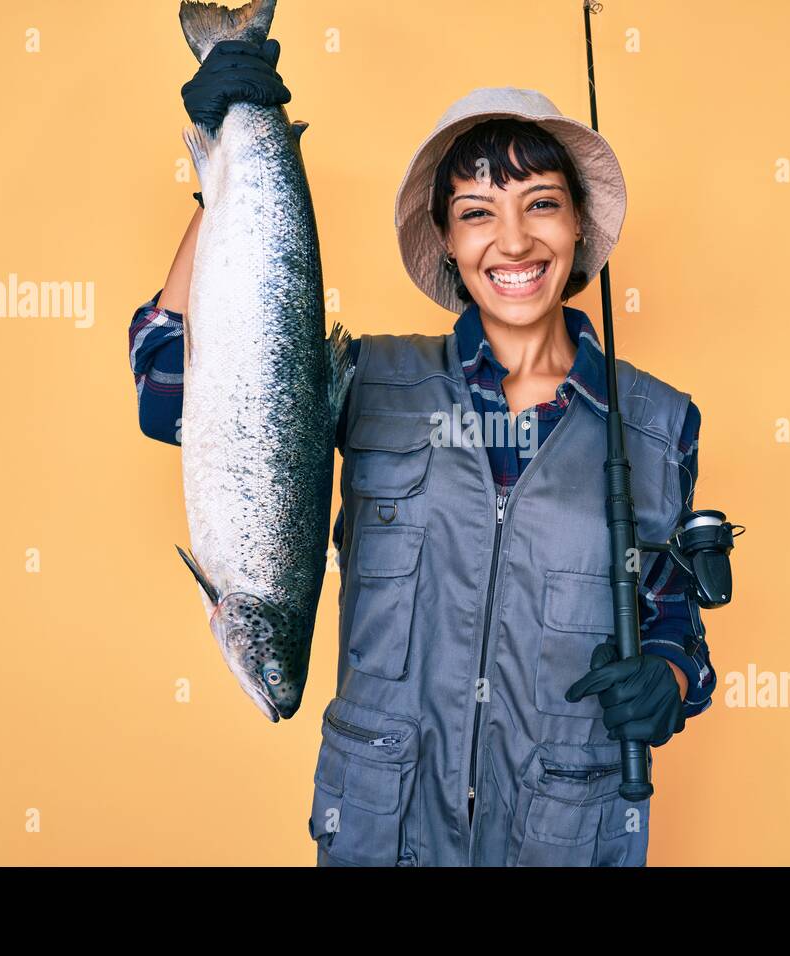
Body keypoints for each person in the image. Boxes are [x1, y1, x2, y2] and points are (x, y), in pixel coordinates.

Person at [129, 38, 718, 866]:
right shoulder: (368, 384)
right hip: (384, 837)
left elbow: (674, 623)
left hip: (569, 840)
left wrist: (672, 679)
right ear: (445, 238)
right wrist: (226, 166)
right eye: (477, 212)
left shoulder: (660, 424)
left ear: (579, 225)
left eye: (541, 204)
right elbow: (167, 389)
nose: (512, 241)